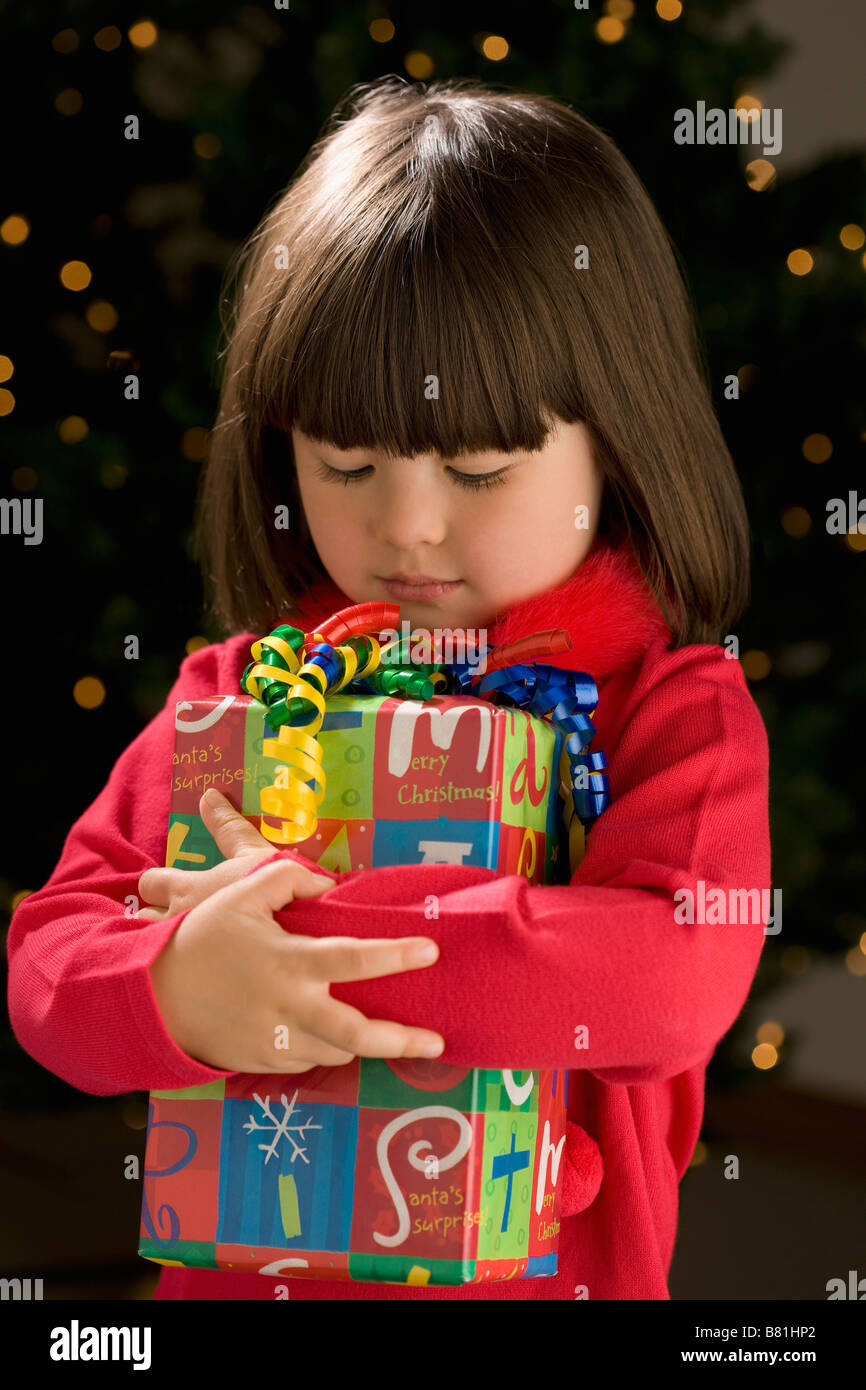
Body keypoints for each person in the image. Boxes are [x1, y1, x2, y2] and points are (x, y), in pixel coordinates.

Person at [6, 76, 770, 1301]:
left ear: (616, 449)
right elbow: (48, 958)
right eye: (345, 462)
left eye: (478, 470)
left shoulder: (668, 713)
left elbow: (670, 980)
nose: (405, 527)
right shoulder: (239, 697)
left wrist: (290, 940)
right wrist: (170, 980)